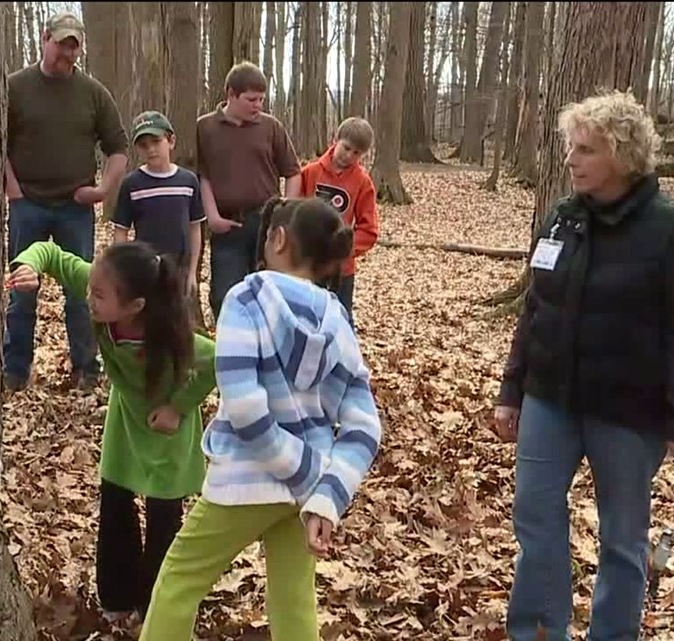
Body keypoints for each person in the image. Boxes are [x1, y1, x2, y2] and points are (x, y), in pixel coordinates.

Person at [492, 91, 674, 641]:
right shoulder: (562, 219)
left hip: (629, 413)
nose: (570, 159)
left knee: (622, 539)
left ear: (623, 155)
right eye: (570, 147)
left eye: (585, 149)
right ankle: (538, 631)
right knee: (535, 519)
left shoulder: (670, 228)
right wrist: (512, 389)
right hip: (550, 398)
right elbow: (535, 308)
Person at [138, 197, 383, 641]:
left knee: (179, 579)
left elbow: (246, 405)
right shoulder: (338, 319)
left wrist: (302, 469)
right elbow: (365, 426)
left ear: (278, 238)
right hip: (304, 490)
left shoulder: (246, 298)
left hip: (244, 477)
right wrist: (325, 490)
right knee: (293, 597)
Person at [5, 240, 216, 621]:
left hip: (167, 432)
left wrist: (177, 407)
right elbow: (51, 255)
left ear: (135, 307)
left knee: (163, 519)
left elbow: (216, 361)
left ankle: (157, 609)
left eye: (99, 295)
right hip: (126, 422)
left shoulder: (171, 337)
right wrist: (29, 267)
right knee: (116, 501)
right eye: (91, 289)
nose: (90, 298)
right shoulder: (101, 290)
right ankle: (117, 599)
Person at [3, 11, 128, 393]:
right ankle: (15, 370)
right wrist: (12, 188)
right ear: (45, 39)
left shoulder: (93, 93)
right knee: (23, 289)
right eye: (62, 45)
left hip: (75, 207)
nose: (68, 54)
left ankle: (87, 369)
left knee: (84, 290)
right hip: (28, 204)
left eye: (74, 47)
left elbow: (119, 148)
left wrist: (104, 190)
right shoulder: (15, 87)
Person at [197, 61, 301, 323]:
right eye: (251, 99)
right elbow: (203, 176)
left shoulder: (271, 127)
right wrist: (213, 217)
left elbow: (292, 171)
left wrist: (285, 212)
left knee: (268, 294)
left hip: (265, 222)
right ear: (231, 94)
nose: (258, 105)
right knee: (225, 294)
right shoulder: (205, 128)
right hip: (227, 224)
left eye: (262, 99)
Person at [111, 110, 204, 299]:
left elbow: (195, 228)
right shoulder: (132, 184)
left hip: (179, 268)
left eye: (156, 142)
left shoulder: (188, 181)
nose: (151, 149)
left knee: (177, 321)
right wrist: (122, 269)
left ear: (171, 141)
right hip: (145, 268)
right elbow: (121, 232)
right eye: (143, 145)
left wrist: (192, 272)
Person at [298, 116, 379, 320]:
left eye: (356, 153)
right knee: (306, 316)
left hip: (340, 268)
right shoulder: (310, 173)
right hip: (308, 262)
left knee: (340, 318)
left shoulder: (362, 182)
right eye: (346, 148)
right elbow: (294, 211)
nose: (349, 156)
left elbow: (368, 230)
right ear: (336, 140)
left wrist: (343, 248)